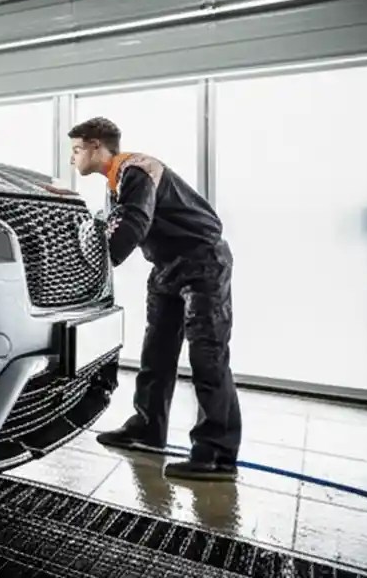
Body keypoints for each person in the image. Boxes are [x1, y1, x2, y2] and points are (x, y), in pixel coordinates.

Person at [68, 116, 241, 481]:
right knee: (156, 352)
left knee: (208, 356)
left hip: (201, 262)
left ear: (97, 147)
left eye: (77, 149)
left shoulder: (138, 170)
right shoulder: (117, 182)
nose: (73, 158)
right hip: (166, 266)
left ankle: (217, 454)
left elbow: (133, 224)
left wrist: (94, 269)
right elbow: (113, 224)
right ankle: (148, 430)